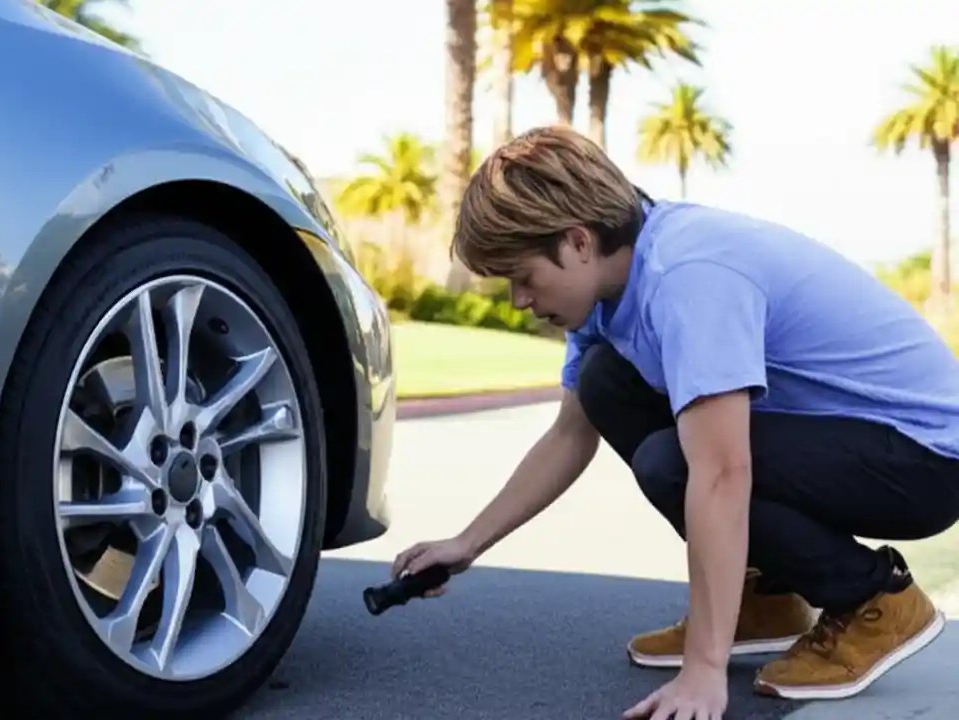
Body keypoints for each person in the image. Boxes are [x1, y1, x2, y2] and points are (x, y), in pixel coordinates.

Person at [391, 125, 959, 720]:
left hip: (926, 459)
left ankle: (874, 600)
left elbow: (721, 472)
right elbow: (570, 435)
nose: (518, 301)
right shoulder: (607, 296)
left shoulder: (688, 276)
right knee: (606, 380)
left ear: (577, 241)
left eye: (524, 277)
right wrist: (466, 544)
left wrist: (703, 671)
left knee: (676, 461)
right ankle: (767, 595)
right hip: (849, 445)